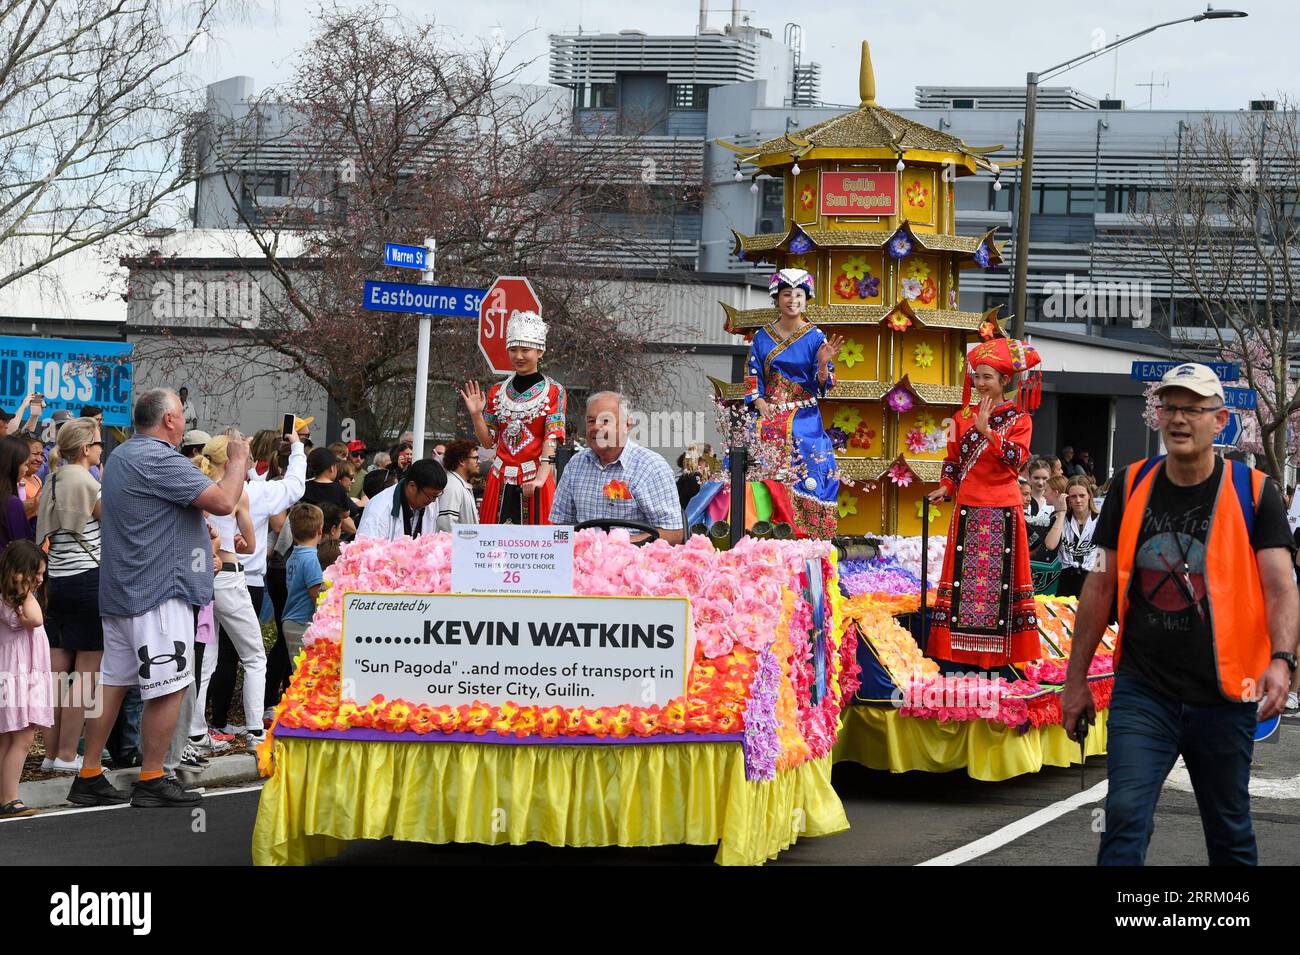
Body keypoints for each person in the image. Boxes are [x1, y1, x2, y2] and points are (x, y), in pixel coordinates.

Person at [1062, 363, 1299, 866]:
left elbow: (1281, 588)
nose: (1178, 418)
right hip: (1144, 689)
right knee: (1123, 813)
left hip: (1226, 695)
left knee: (1229, 828)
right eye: (1169, 406)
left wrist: (1282, 660)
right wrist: (1075, 680)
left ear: (1220, 421)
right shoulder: (1126, 488)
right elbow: (1099, 584)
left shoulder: (1256, 494)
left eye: (1193, 408)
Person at [68, 388, 246, 809]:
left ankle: (89, 773)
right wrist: (238, 459)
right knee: (168, 687)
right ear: (168, 420)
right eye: (181, 414)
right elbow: (223, 501)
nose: (184, 420)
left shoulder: (123, 455)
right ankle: (152, 777)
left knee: (114, 682)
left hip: (121, 590)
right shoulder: (159, 458)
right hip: (159, 592)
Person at [925, 335, 1043, 670]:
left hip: (1003, 510)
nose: (979, 383)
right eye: (976, 376)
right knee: (964, 586)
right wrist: (946, 486)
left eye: (987, 377)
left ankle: (999, 657)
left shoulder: (1020, 419)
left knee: (1000, 588)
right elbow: (951, 460)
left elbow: (1015, 459)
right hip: (967, 508)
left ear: (1005, 380)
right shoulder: (958, 417)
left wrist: (989, 433)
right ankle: (957, 654)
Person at [743, 268, 844, 537]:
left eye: (798, 295)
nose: (792, 300)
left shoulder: (815, 337)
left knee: (808, 450)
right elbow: (752, 375)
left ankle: (806, 529)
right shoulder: (762, 337)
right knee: (749, 447)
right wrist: (760, 402)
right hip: (769, 411)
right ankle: (759, 526)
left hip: (804, 416)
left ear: (806, 299)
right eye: (787, 294)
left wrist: (823, 365)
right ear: (777, 298)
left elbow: (823, 383)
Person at [35, 417, 106, 773]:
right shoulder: (88, 481)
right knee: (86, 675)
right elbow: (111, 523)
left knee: (56, 675)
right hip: (88, 580)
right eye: (97, 444)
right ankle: (67, 755)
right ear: (84, 449)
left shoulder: (52, 478)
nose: (100, 449)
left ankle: (50, 754)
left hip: (56, 581)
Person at [460, 311, 566, 526]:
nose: (519, 356)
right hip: (499, 478)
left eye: (525, 350)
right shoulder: (497, 391)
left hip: (535, 477)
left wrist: (541, 478)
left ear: (540, 351)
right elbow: (488, 441)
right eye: (513, 349)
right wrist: (476, 415)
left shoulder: (554, 391)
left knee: (535, 546)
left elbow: (551, 438)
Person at [191, 436, 264, 747]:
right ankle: (256, 731)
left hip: (202, 576)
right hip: (230, 576)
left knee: (205, 659)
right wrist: (238, 540)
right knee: (254, 656)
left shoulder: (198, 485)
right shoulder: (238, 492)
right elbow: (250, 543)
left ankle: (196, 731)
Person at [550, 392, 684, 544]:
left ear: (627, 425)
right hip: (584, 559)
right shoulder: (576, 465)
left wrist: (622, 545)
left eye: (605, 421)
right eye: (591, 421)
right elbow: (561, 523)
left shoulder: (651, 467)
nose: (596, 427)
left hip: (635, 561)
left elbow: (673, 533)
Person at [0, 541, 52, 817]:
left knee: (9, 739)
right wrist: (24, 588)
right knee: (21, 738)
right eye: (37, 573)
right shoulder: (16, 599)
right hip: (17, 676)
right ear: (19, 573)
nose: (41, 580)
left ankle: (4, 796)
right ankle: (9, 799)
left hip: (18, 673)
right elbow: (36, 619)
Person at [355, 459, 446, 540]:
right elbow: (367, 552)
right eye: (432, 496)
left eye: (437, 496)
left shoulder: (431, 500)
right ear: (412, 486)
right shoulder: (379, 509)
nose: (434, 501)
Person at [282, 503, 325, 668]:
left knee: (297, 669)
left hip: (291, 619)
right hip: (303, 623)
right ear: (320, 530)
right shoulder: (311, 559)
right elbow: (315, 594)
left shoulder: (294, 555)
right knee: (305, 672)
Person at [1044, 475, 1099, 598]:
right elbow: (1050, 545)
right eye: (1073, 496)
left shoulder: (1101, 519)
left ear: (1089, 495)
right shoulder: (1059, 518)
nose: (1078, 500)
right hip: (1067, 579)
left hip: (1093, 578)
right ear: (1067, 498)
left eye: (1082, 495)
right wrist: (1062, 512)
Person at [302, 448, 360, 536]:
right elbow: (345, 514)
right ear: (332, 468)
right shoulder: (338, 489)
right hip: (330, 534)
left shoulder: (305, 486)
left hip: (308, 532)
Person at [436, 440, 479, 532]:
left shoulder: (458, 484)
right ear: (462, 461)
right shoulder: (452, 486)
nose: (478, 462)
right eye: (475, 458)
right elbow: (446, 524)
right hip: (454, 545)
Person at [0, 435, 33, 551]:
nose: (26, 469)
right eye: (25, 464)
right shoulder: (12, 503)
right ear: (12, 465)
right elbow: (24, 549)